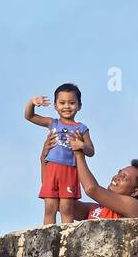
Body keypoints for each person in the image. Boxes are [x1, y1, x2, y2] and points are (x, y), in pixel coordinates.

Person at [24, 84, 95, 225]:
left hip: (70, 170)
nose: (67, 106)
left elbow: (91, 151)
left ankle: (66, 236)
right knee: (50, 206)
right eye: (62, 103)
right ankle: (47, 235)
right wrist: (32, 103)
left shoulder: (82, 128)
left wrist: (82, 145)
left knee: (66, 208)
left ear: (79, 106)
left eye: (72, 103)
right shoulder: (52, 123)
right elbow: (29, 116)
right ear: (55, 106)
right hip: (52, 169)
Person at [52, 130, 138, 219]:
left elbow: (91, 189)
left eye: (124, 177)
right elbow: (56, 201)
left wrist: (79, 154)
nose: (117, 177)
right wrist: (45, 159)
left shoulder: (135, 207)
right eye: (119, 173)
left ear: (135, 192)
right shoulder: (96, 209)